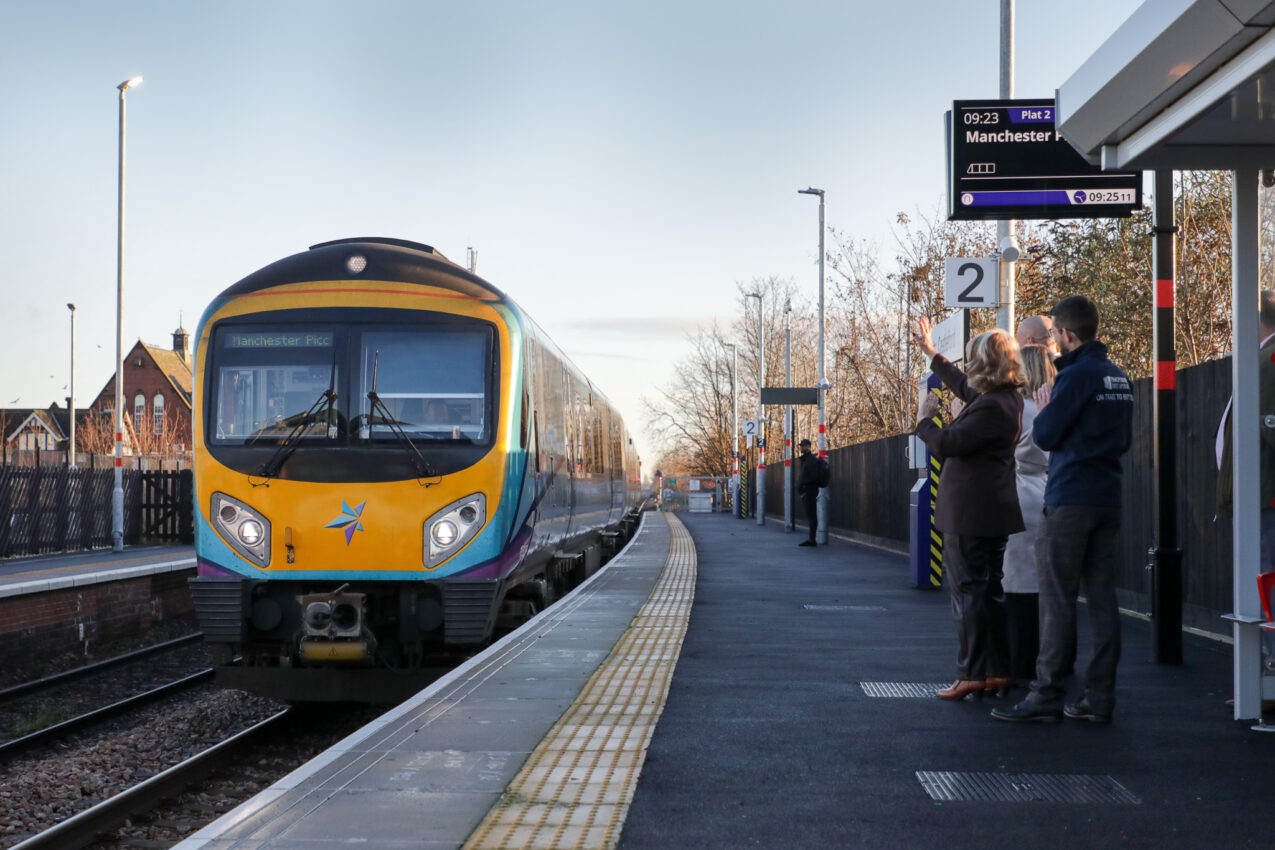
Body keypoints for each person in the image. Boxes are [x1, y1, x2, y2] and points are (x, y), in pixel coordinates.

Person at [993, 295, 1133, 725]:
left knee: (1056, 599)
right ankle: (1098, 697)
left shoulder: (1074, 378)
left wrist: (1049, 406)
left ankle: (1047, 693)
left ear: (1068, 335)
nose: (1054, 339)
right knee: (1103, 601)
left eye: (1055, 332)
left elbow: (1047, 436)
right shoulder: (1117, 377)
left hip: (1070, 498)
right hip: (1107, 496)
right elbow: (1123, 440)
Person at [913, 318, 1026, 701]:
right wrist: (932, 353)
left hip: (972, 514)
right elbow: (962, 385)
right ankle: (996, 670)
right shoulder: (1002, 398)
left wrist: (924, 420)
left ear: (986, 364)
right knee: (987, 591)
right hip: (988, 513)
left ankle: (972, 672)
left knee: (968, 592)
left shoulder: (993, 407)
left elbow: (947, 443)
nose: (970, 368)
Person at [1217, 290, 1275, 703]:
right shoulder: (1259, 358)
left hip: (1265, 499)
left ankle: (1267, 681)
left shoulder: (1267, 362)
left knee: (1267, 585)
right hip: (1257, 496)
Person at [1001, 344, 1056, 687]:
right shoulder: (1051, 409)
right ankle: (1046, 660)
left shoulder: (1015, 409)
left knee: (1014, 583)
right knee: (1044, 585)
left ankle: (1016, 663)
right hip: (1048, 494)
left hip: (1015, 494)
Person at [796, 438, 825, 547]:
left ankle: (812, 539)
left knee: (812, 515)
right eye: (801, 446)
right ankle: (811, 538)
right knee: (810, 515)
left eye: (803, 446)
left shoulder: (810, 460)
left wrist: (804, 488)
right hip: (807, 491)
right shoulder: (806, 460)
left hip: (809, 491)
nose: (801, 448)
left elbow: (813, 477)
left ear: (808, 446)